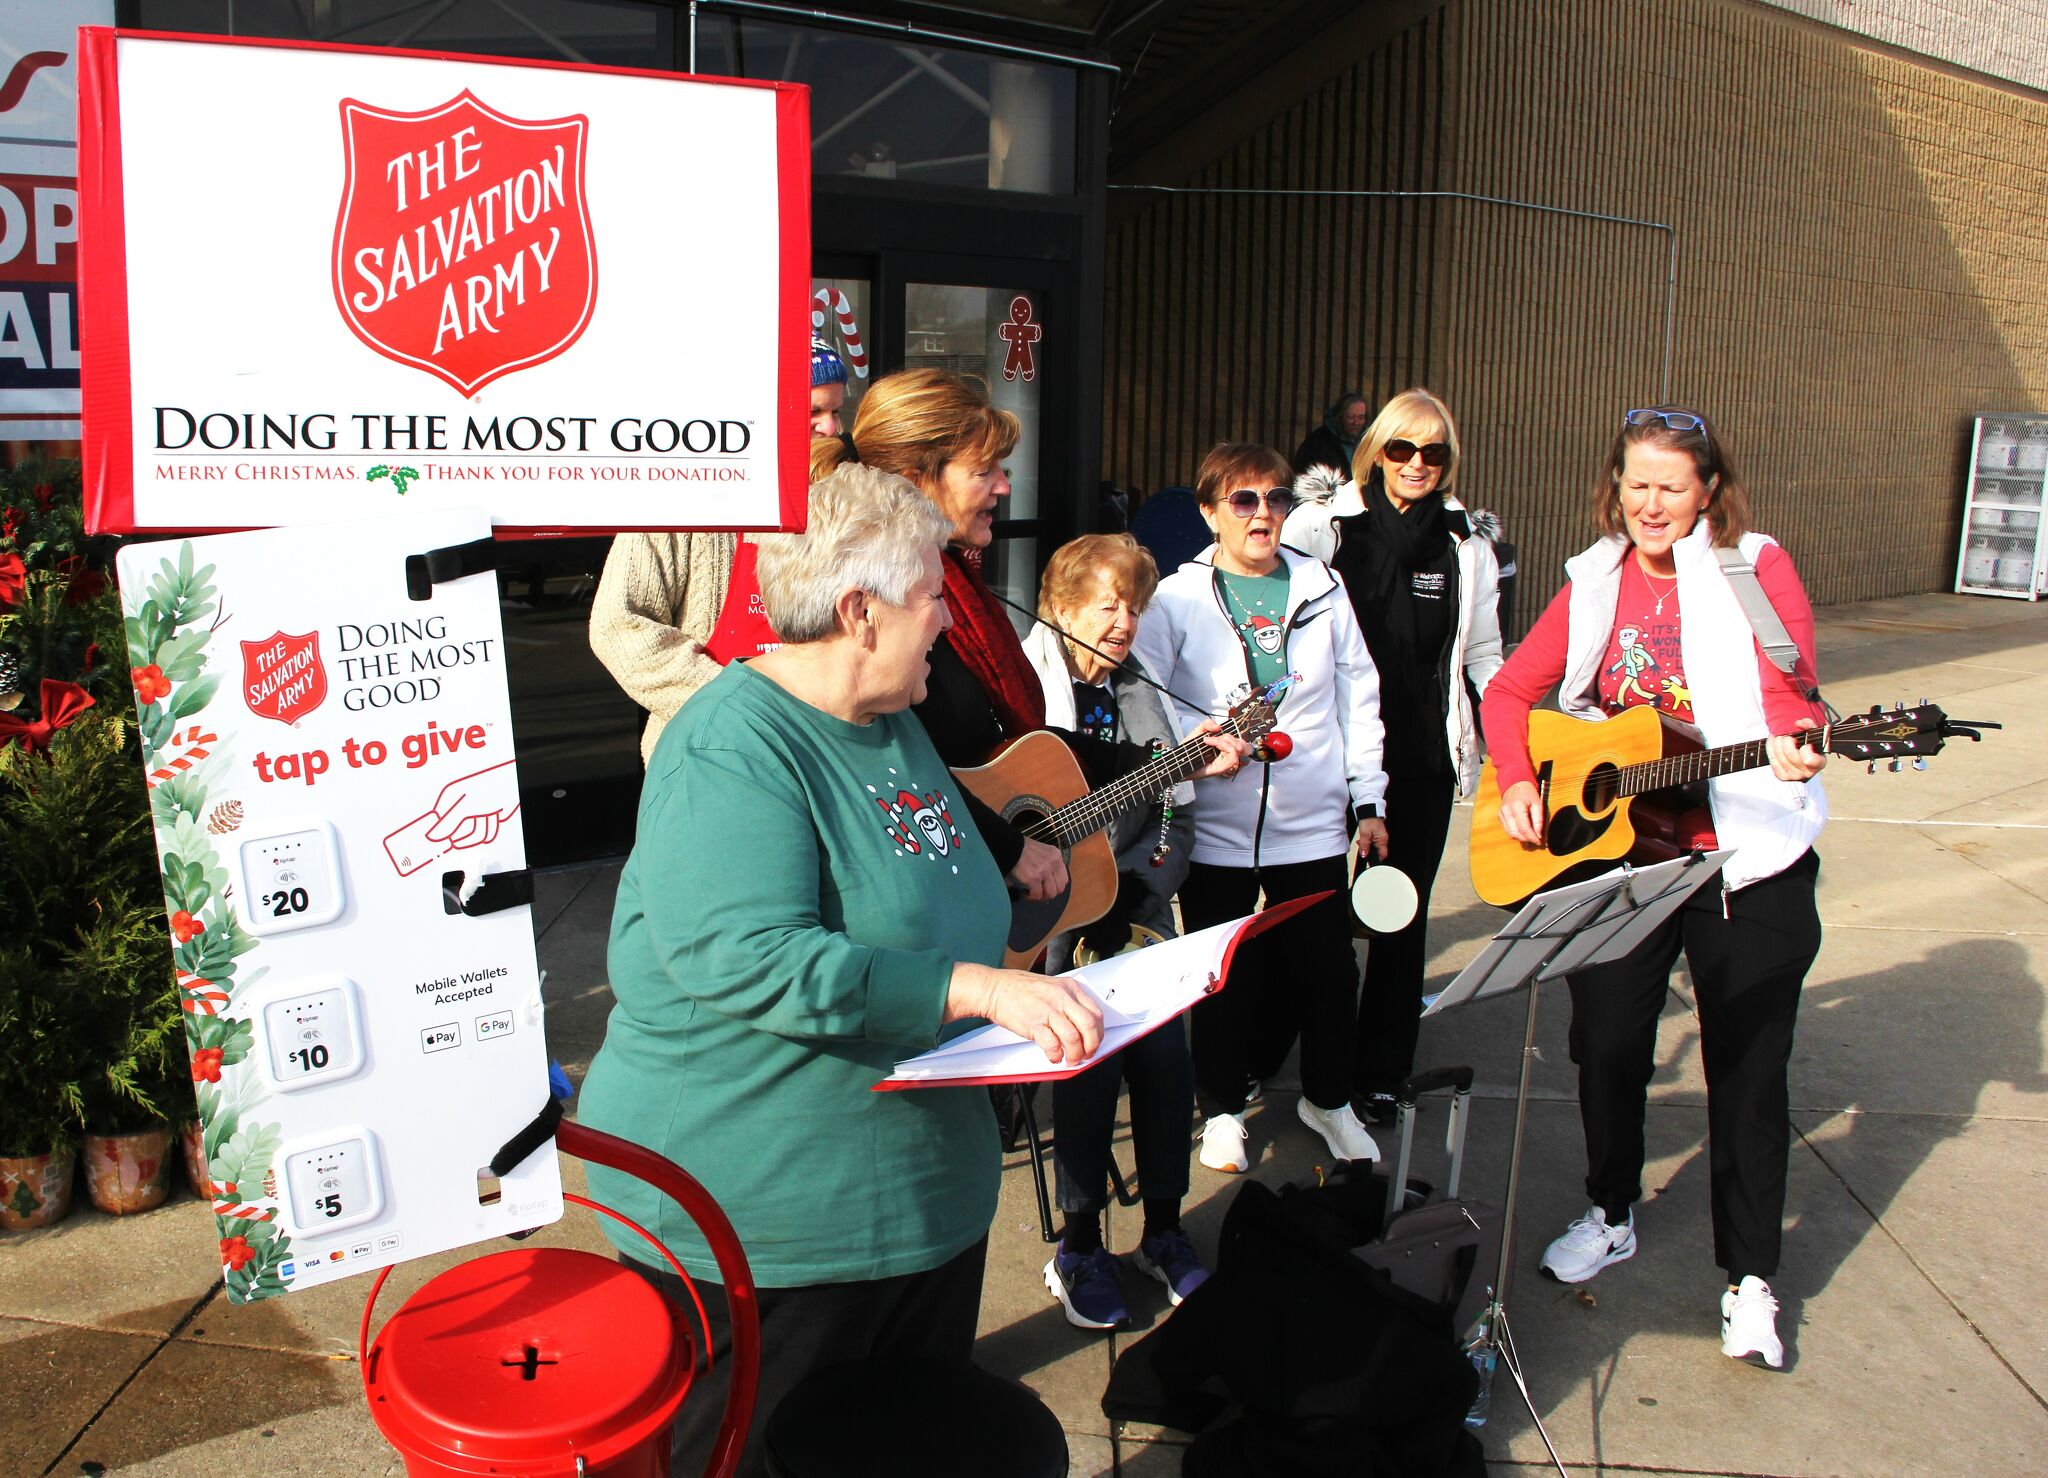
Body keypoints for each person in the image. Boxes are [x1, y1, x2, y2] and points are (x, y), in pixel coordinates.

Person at [578, 462, 1105, 1475]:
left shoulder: (893, 725)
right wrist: (977, 988)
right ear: (859, 612)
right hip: (768, 1229)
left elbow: (936, 885)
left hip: (914, 1210)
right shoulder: (730, 743)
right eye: (930, 600)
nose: (947, 624)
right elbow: (743, 953)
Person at [1478, 404, 1827, 1370]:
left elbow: (1795, 691)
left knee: (1750, 1071)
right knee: (1612, 1046)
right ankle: (1612, 1209)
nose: (1651, 504)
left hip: (1747, 860)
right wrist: (1517, 778)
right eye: (1636, 483)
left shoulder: (1756, 566)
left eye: (1672, 485)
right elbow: (1510, 692)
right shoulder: (1594, 580)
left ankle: (1750, 1276)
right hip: (1628, 857)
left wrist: (1799, 746)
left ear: (1709, 489)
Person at [1130, 442, 1389, 1176]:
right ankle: (1220, 1109)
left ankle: (1328, 1100)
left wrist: (1369, 798)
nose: (1263, 515)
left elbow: (1358, 696)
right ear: (1210, 511)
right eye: (1243, 501)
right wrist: (1193, 747)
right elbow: (1143, 695)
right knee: (1220, 974)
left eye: (1276, 499)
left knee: (1328, 973)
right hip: (1217, 825)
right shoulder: (1177, 597)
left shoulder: (1323, 588)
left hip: (1311, 822)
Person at [1021, 533, 1246, 1329]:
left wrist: (1148, 881)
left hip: (1140, 912)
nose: (1123, 622)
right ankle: (1078, 1244)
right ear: (1061, 607)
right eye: (1106, 606)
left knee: (1165, 1068)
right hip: (1045, 922)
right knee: (1086, 1071)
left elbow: (1177, 816)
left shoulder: (1143, 691)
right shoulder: (1023, 685)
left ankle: (1162, 1231)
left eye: (1134, 606)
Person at [811, 366, 1066, 901]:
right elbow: (883, 760)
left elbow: (1000, 748)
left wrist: (1154, 760)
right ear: (914, 478)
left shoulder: (957, 584)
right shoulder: (874, 601)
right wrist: (1011, 848)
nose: (1004, 485)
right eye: (984, 471)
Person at [1329, 389, 1505, 1124]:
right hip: (1329, 752)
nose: (1417, 465)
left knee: (1397, 914)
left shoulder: (1466, 545)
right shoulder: (1329, 528)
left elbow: (1487, 652)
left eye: (1433, 452)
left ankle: (1378, 1071)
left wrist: (1506, 741)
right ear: (1377, 452)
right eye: (1402, 448)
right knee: (1312, 911)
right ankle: (1302, 1049)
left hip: (1423, 757)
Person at [588, 336, 849, 763]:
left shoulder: (838, 494)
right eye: (813, 412)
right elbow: (619, 625)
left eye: (836, 411)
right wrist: (740, 708)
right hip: (706, 753)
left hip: (818, 748)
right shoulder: (681, 501)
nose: (831, 428)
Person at [1291, 390, 1370, 476]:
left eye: (1361, 417)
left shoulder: (1368, 442)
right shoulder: (1317, 442)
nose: (1356, 422)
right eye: (1350, 417)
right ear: (1340, 416)